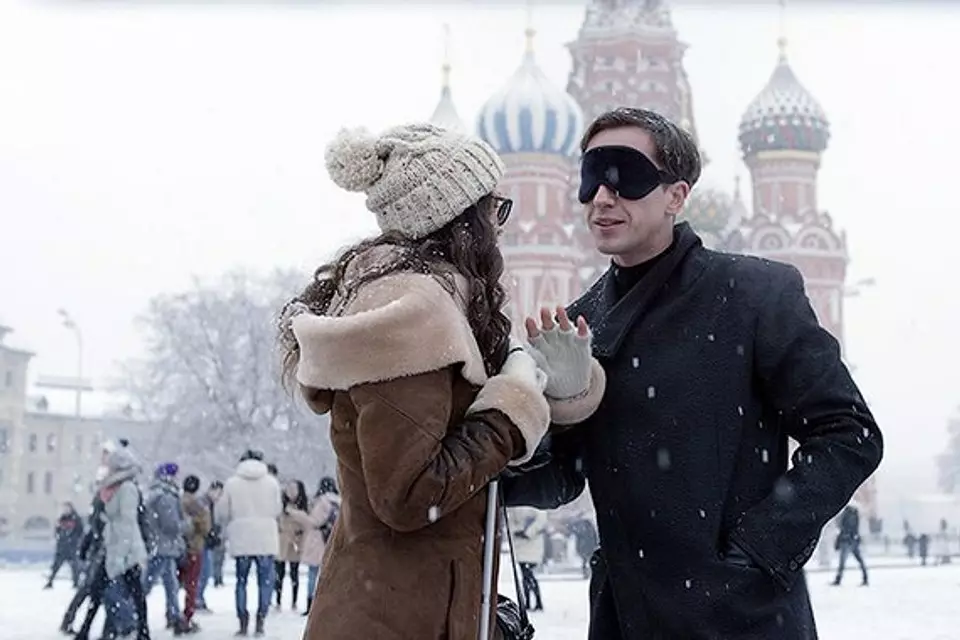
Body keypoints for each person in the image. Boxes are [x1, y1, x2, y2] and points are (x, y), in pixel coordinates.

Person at [504, 107, 884, 640]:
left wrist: (755, 552)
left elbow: (849, 436)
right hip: (626, 618)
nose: (602, 198)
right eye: (590, 180)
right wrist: (494, 442)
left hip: (742, 621)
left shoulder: (753, 295)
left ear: (677, 196)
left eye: (626, 178)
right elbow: (562, 476)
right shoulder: (583, 322)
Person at [278, 122, 604, 639]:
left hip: (407, 607)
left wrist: (553, 397)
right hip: (396, 618)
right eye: (494, 209)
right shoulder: (411, 316)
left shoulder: (436, 306)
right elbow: (410, 493)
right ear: (460, 220)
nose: (500, 227)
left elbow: (461, 459)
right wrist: (511, 407)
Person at [216, 449, 282, 637]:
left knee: (241, 581)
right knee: (265, 582)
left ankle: (243, 621)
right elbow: (277, 509)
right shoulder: (271, 483)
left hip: (242, 537)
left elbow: (223, 512)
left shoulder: (232, 483)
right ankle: (261, 620)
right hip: (265, 538)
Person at [99, 442, 150, 640]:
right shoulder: (114, 488)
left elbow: (128, 522)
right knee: (129, 593)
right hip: (116, 547)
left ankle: (131, 627)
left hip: (127, 551)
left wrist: (121, 554)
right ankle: (134, 630)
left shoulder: (127, 488)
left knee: (115, 594)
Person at [286, 476, 341, 617]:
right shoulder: (340, 501)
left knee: (313, 573)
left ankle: (311, 604)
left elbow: (313, 522)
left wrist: (297, 514)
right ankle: (330, 603)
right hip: (333, 539)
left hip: (318, 541)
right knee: (330, 574)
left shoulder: (322, 501)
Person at [142, 462, 187, 631]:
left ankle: (175, 616)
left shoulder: (155, 494)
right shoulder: (166, 496)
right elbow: (171, 525)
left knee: (170, 583)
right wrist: (186, 525)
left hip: (159, 545)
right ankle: (130, 612)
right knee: (148, 583)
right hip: (163, 546)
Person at [179, 474, 212, 634]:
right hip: (194, 548)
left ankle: (171, 612)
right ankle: (187, 617)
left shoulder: (177, 501)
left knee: (173, 583)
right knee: (191, 584)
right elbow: (205, 528)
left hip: (177, 549)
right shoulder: (199, 505)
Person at [507, 506, 548, 612]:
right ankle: (530, 602)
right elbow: (511, 521)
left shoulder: (536, 506)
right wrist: (518, 531)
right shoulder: (517, 507)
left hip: (532, 545)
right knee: (526, 575)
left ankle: (534, 602)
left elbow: (541, 521)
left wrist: (527, 533)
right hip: (521, 546)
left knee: (528, 575)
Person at [275, 479, 307, 611]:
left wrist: (293, 513)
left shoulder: (304, 506)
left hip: (296, 541)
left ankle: (294, 600)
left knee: (294, 572)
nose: (291, 492)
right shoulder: (280, 505)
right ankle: (277, 600)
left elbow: (307, 521)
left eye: (294, 489)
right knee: (279, 572)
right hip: (282, 541)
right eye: (289, 489)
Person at [196, 480, 225, 612]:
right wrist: (210, 534)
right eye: (218, 493)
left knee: (205, 572)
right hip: (202, 543)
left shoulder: (210, 505)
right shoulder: (204, 504)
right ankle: (198, 599)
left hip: (205, 542)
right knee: (203, 572)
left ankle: (199, 598)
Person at [46, 501, 84, 589]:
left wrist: (75, 541)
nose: (65, 510)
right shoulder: (61, 519)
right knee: (56, 566)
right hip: (62, 547)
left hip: (72, 547)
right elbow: (57, 531)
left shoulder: (76, 519)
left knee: (75, 567)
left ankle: (76, 582)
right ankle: (50, 581)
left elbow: (80, 532)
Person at [832, 502, 868, 586]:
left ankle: (838, 579)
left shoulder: (846, 513)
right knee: (859, 560)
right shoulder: (855, 514)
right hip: (853, 539)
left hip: (846, 540)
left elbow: (841, 525)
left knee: (842, 562)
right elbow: (856, 527)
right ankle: (865, 578)